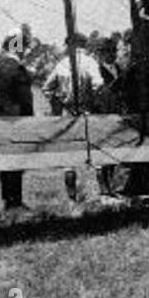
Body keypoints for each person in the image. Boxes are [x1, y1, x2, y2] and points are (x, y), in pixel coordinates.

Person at [45, 33, 106, 200]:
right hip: (87, 113)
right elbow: (99, 83)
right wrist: (94, 97)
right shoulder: (90, 62)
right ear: (82, 45)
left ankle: (72, 199)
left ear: (69, 45)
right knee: (98, 155)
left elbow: (47, 89)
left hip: (67, 114)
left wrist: (59, 102)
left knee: (69, 159)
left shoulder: (61, 65)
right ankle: (103, 193)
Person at [0, 33, 35, 212]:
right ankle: (15, 201)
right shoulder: (18, 68)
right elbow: (26, 100)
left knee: (4, 160)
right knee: (16, 160)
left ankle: (7, 198)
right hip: (17, 120)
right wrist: (29, 120)